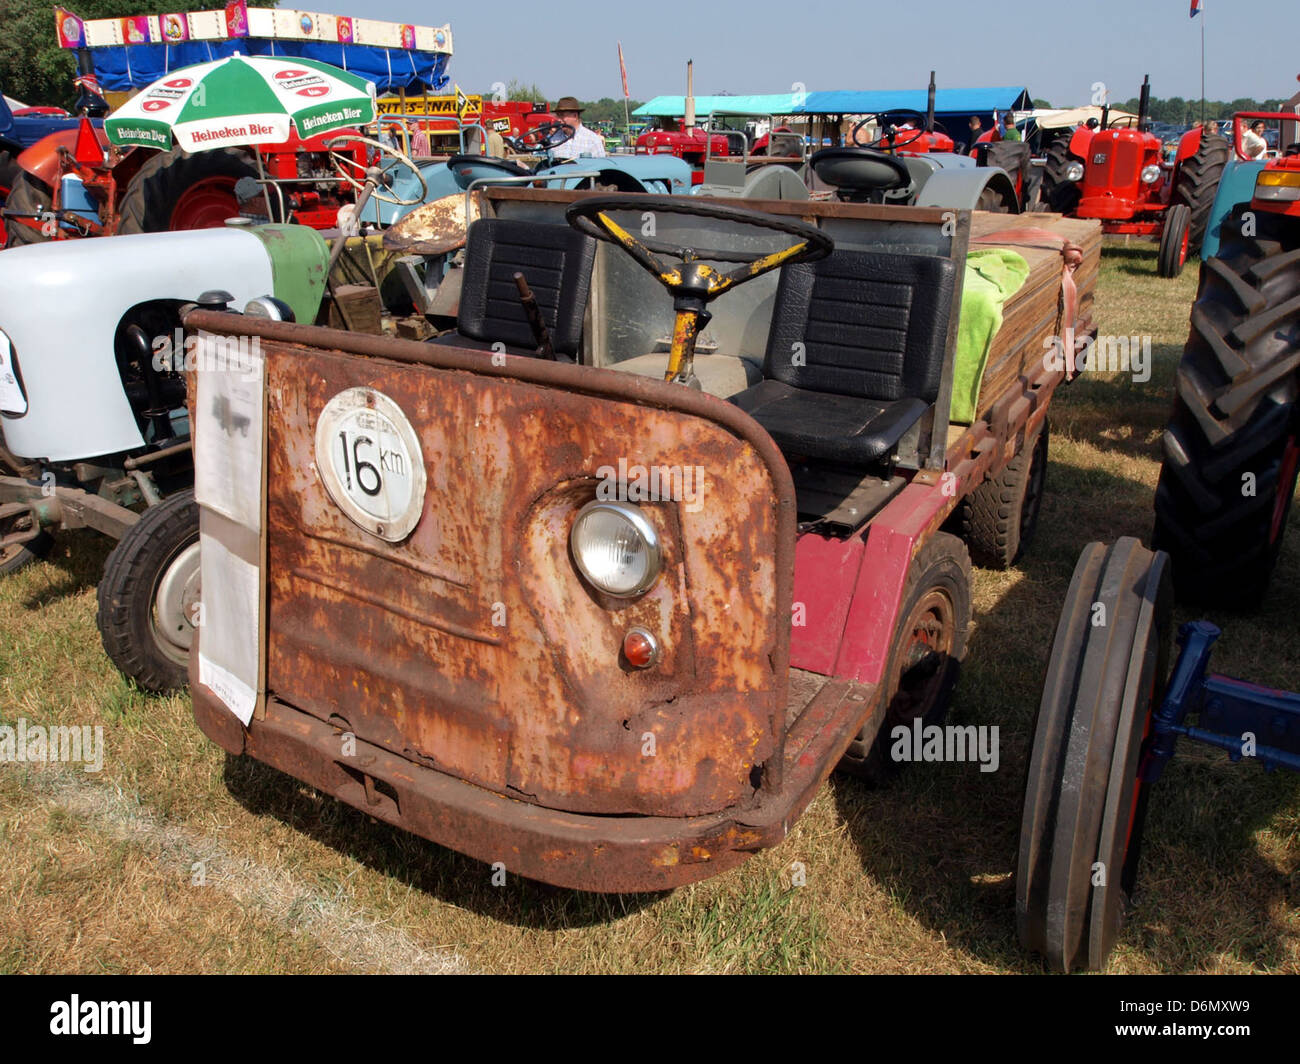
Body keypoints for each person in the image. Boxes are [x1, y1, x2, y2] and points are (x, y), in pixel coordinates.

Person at [549, 96, 607, 160]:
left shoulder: (592, 140)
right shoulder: (553, 139)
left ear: (575, 116)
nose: (559, 119)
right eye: (558, 115)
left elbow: (602, 166)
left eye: (562, 115)